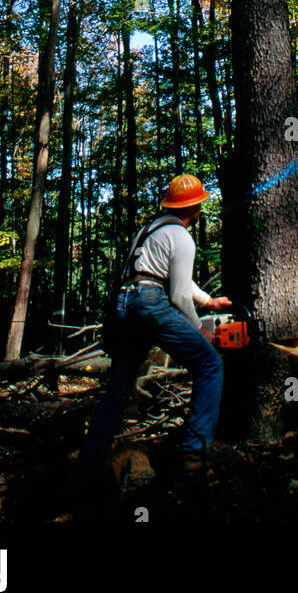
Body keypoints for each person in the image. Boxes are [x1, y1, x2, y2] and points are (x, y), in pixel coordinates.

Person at [78, 174, 232, 478]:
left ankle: (89, 464)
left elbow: (175, 278)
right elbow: (176, 294)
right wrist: (198, 327)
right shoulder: (183, 237)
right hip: (149, 301)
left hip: (123, 302)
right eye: (200, 204)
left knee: (119, 388)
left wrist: (209, 303)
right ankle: (195, 454)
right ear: (193, 208)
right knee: (209, 363)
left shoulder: (151, 230)